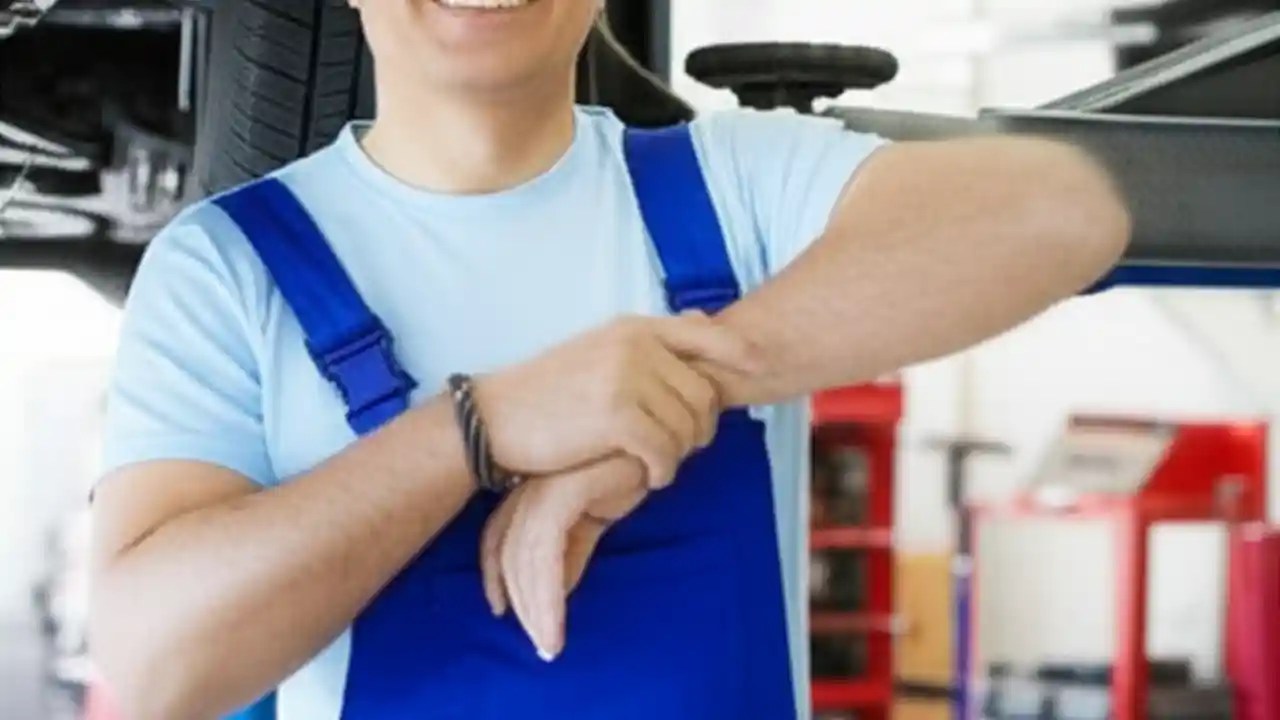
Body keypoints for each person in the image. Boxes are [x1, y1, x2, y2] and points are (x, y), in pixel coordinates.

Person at [88, 1, 1130, 719]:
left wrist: (688, 385)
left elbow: (1060, 209)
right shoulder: (231, 267)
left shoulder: (731, 187)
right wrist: (477, 429)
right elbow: (158, 666)